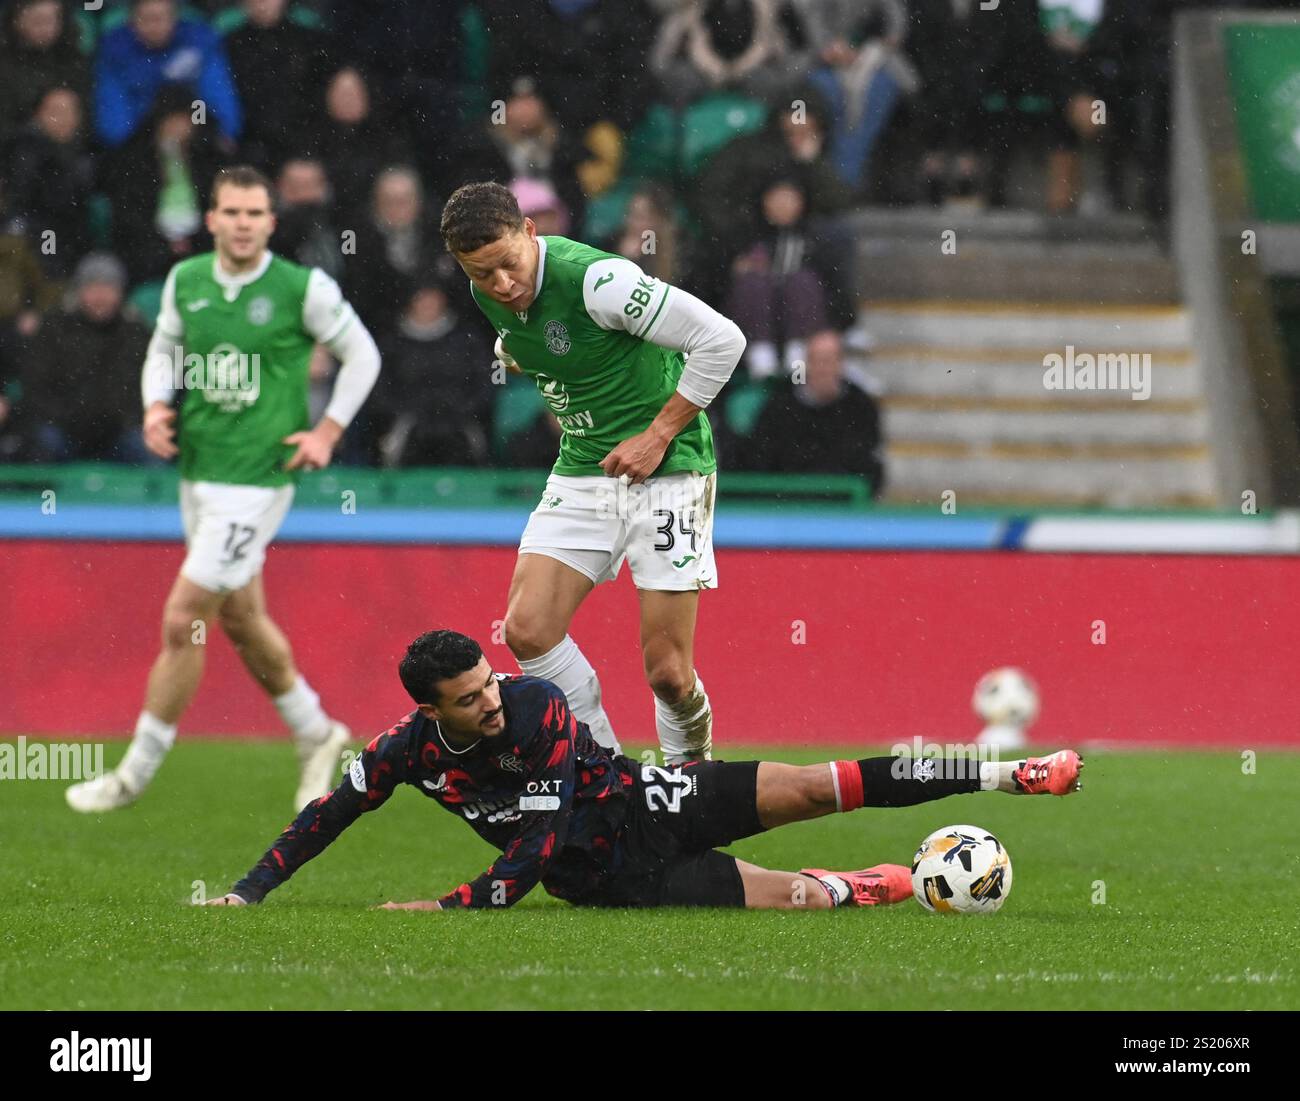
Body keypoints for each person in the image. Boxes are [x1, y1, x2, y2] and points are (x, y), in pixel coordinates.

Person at [202, 629, 1084, 911]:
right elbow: (327, 814)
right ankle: (859, 884)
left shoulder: (537, 704)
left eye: (489, 680)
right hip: (610, 877)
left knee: (821, 782)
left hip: (651, 801)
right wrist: (245, 892)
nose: (493, 701)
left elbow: (534, 841)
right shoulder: (402, 754)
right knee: (799, 899)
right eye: (470, 698)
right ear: (431, 711)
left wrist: (451, 905)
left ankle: (1010, 773)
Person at [65, 165, 382, 816]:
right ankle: (317, 731)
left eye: (254, 213)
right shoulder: (186, 281)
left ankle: (133, 773)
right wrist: (156, 406)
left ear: (271, 221)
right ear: (210, 219)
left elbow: (364, 355)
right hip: (199, 472)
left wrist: (327, 430)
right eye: (230, 212)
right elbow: (165, 348)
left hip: (259, 480)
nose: (242, 224)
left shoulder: (302, 288)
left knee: (185, 618)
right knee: (239, 616)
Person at [440, 181, 747, 764]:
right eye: (482, 275)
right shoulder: (488, 290)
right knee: (526, 630)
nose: (501, 284)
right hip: (584, 468)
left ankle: (692, 782)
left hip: (669, 472)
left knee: (668, 675)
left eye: (508, 264)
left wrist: (657, 435)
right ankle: (606, 776)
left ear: (530, 231)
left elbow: (721, 340)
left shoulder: (600, 282)